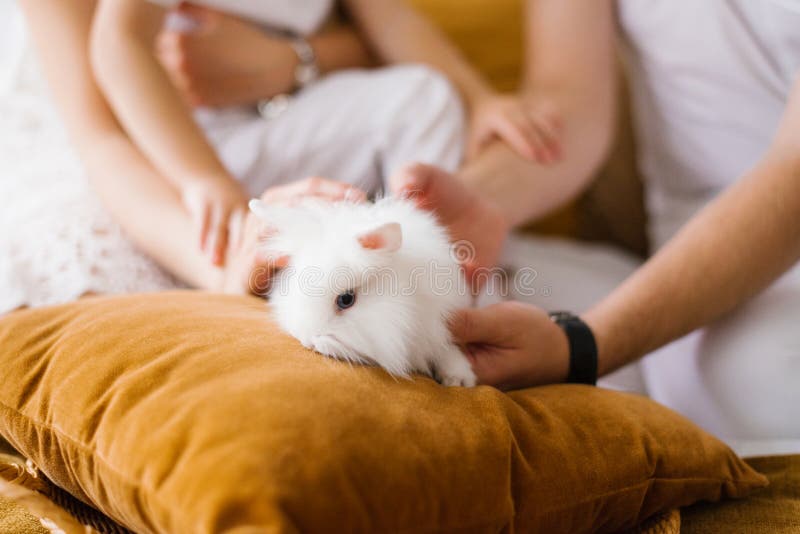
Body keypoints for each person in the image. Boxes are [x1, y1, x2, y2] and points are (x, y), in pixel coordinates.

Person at [388, 0, 800, 453]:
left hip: (783, 237)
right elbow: (569, 103)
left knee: (746, 380)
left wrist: (584, 344)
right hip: (676, 243)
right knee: (420, 324)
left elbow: (792, 172)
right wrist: (480, 200)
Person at [11, 0, 558, 309]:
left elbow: (390, 21)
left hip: (290, 120)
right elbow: (119, 46)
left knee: (425, 98)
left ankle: (435, 292)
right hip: (193, 148)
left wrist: (480, 96)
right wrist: (204, 177)